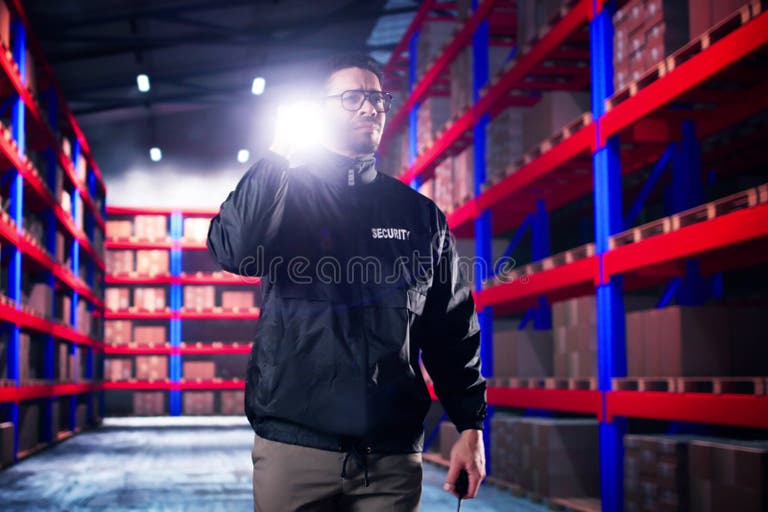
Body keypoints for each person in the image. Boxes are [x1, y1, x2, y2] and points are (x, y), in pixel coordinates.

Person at [207, 52, 487, 511]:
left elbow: (453, 330)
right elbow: (234, 250)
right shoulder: (283, 195)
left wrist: (470, 428)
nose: (369, 108)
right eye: (352, 97)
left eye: (377, 98)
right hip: (295, 450)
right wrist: (278, 156)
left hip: (391, 461)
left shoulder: (418, 216)